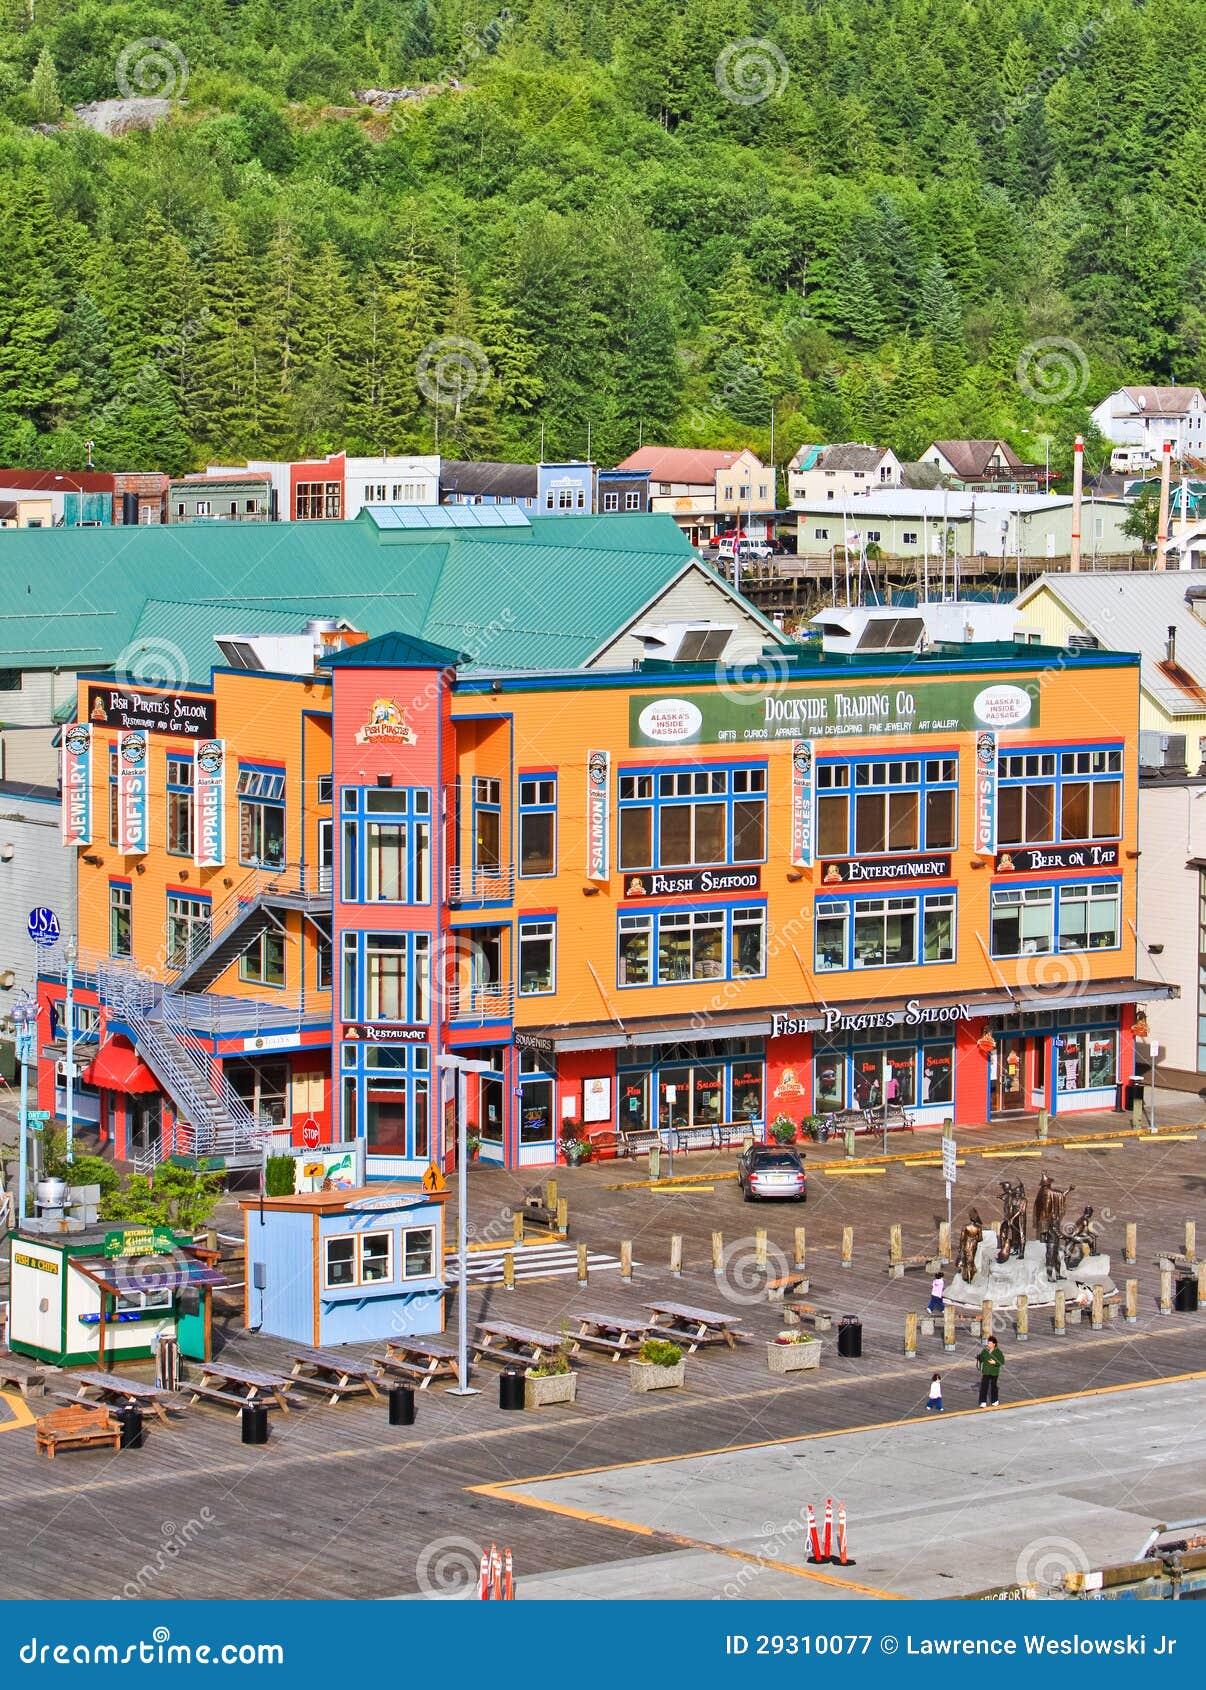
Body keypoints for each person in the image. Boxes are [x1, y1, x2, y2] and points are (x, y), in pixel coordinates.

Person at [976, 1336, 1005, 1407]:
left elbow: (1002, 1361)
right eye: (988, 1343)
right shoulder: (985, 1351)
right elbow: (982, 1358)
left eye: (990, 1343)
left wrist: (995, 1362)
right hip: (986, 1372)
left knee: (993, 1387)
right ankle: (983, 1402)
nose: (988, 1344)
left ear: (994, 1344)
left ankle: (995, 1400)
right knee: (984, 1387)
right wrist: (979, 1358)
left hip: (994, 1372)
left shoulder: (998, 1352)